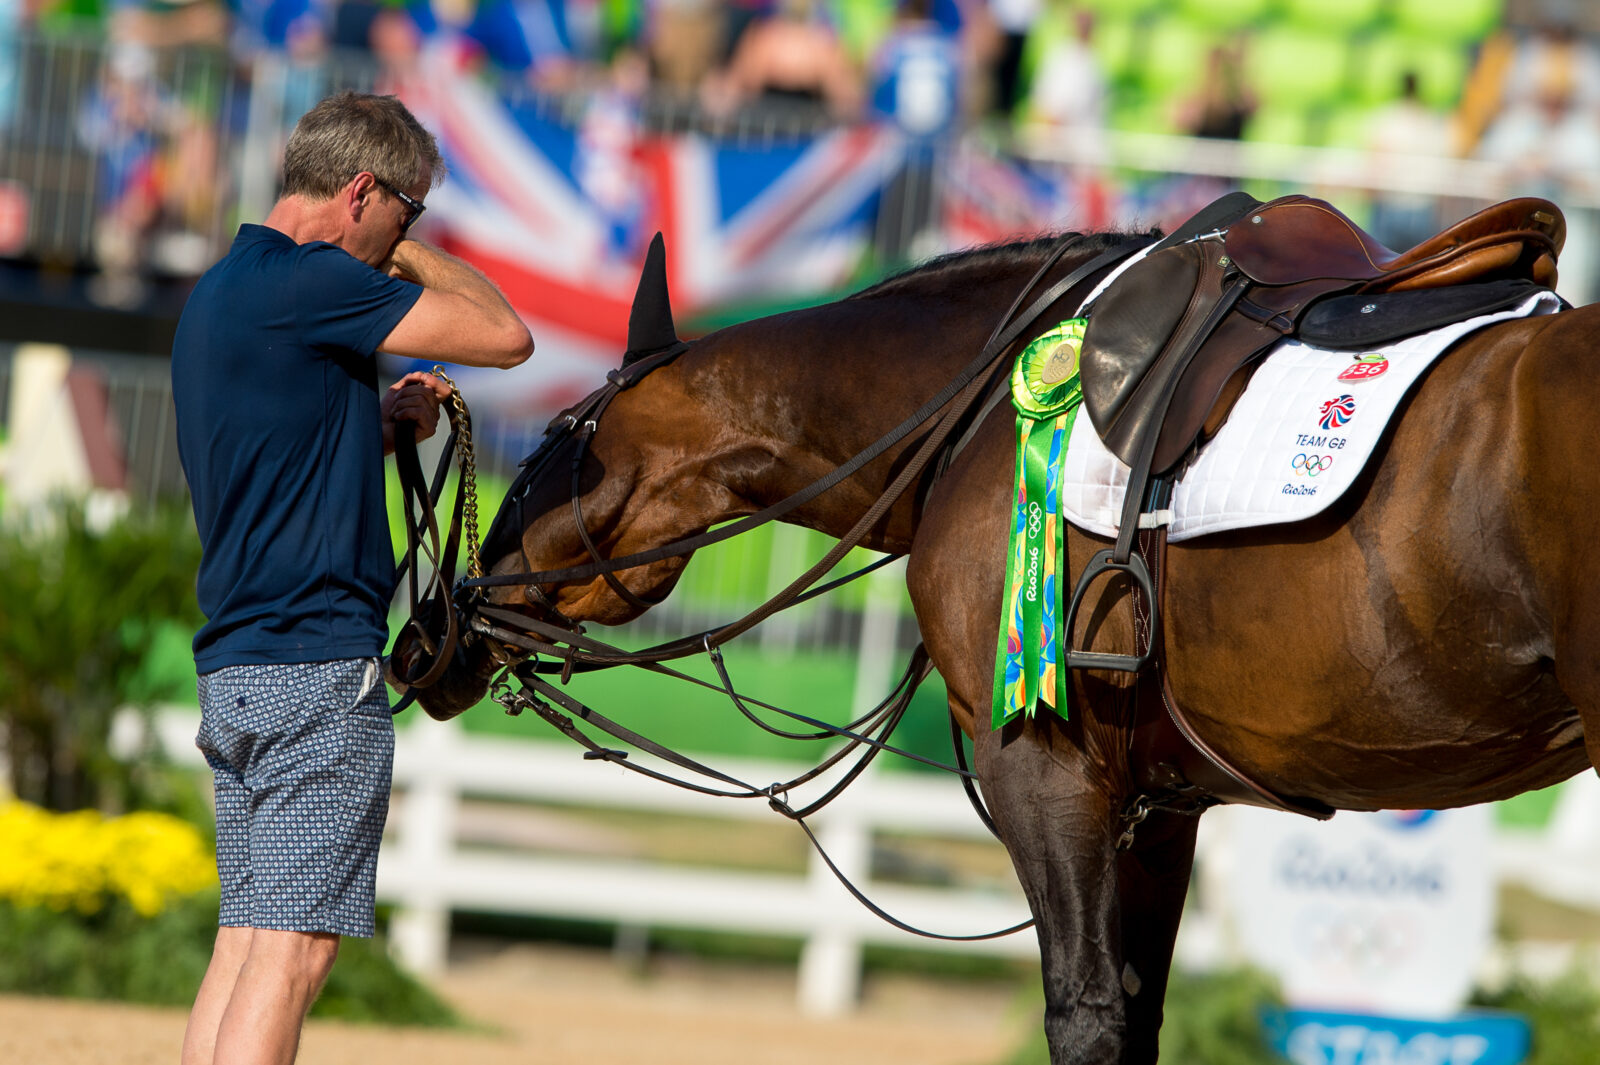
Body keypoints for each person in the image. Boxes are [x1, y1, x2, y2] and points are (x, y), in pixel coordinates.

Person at [171, 90, 533, 1065]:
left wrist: (374, 430)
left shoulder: (222, 290)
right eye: (408, 213)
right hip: (316, 666)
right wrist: (405, 251)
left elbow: (275, 451)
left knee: (246, 942)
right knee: (294, 956)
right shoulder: (312, 281)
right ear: (363, 189)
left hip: (239, 662)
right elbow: (505, 335)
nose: (406, 238)